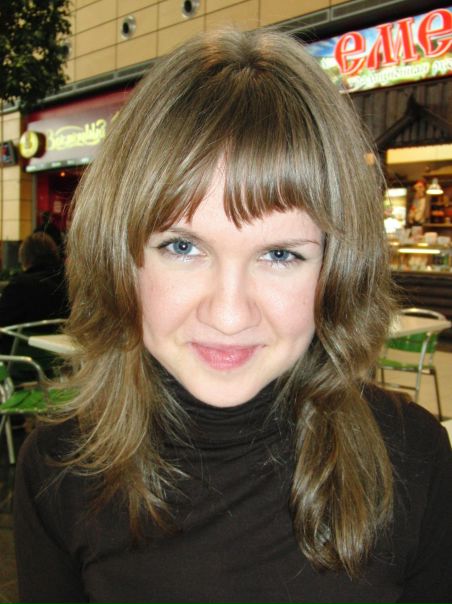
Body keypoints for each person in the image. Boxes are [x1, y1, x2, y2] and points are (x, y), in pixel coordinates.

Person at [13, 28, 451, 603]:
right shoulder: (58, 469)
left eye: (280, 255)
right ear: (121, 258)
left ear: (337, 270)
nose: (227, 314)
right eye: (182, 247)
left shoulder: (413, 458)